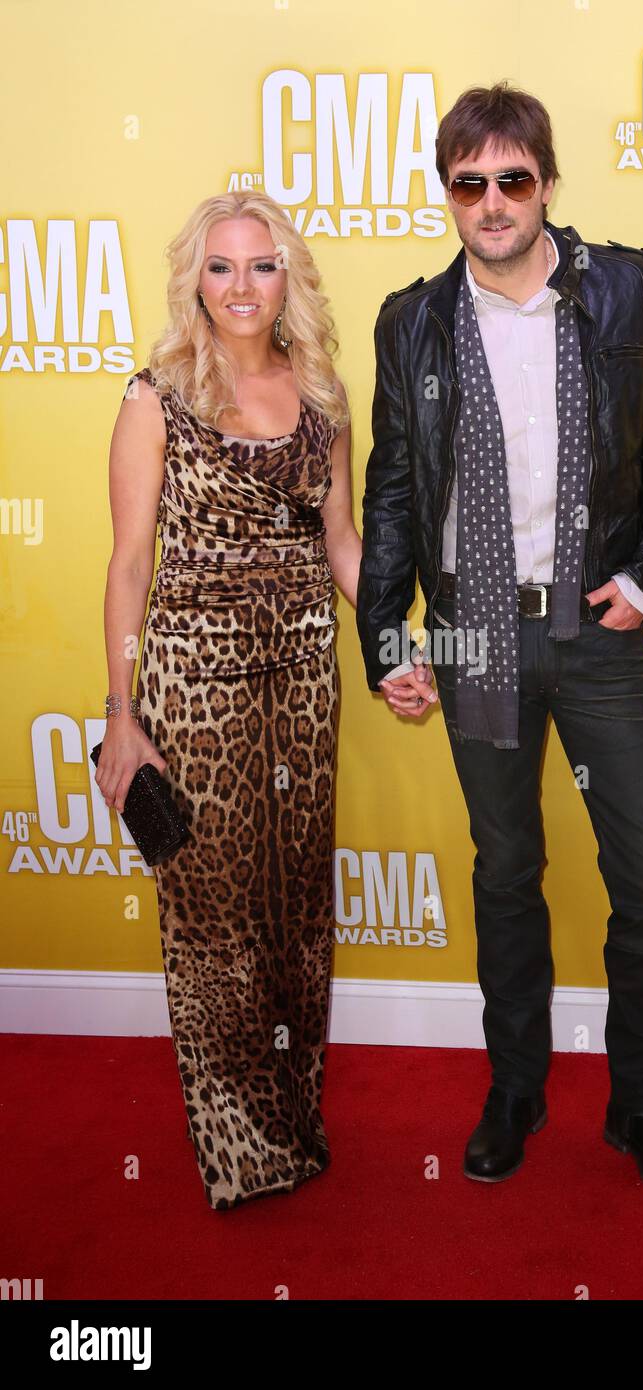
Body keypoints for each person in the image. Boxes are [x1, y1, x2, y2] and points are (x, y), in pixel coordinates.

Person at [356, 82, 643, 1197]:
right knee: (506, 870)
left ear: (545, 184)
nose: (493, 202)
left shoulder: (624, 289)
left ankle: (641, 1102)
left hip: (598, 632)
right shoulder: (410, 322)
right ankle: (514, 1088)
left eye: (513, 179)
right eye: (470, 183)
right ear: (448, 195)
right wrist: (384, 635)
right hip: (472, 636)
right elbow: (395, 488)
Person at [95, 190, 360, 1210]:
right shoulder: (153, 395)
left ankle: (294, 1118)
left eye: (260, 265)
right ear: (193, 280)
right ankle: (240, 1145)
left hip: (301, 675)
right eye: (220, 266)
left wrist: (389, 637)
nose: (240, 287)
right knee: (213, 917)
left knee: (294, 905)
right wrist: (123, 710)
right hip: (192, 677)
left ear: (285, 276)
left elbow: (340, 543)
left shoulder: (324, 395)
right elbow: (128, 564)